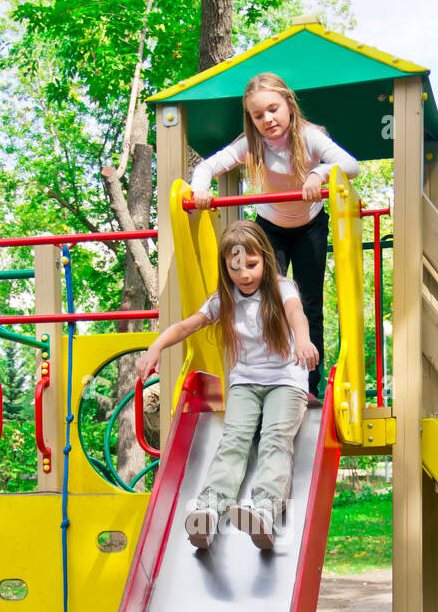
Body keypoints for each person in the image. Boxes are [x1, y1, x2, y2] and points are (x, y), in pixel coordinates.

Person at [135, 220, 318, 551]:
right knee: (234, 440)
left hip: (285, 379)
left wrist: (303, 340)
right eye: (235, 268)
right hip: (246, 381)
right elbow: (187, 325)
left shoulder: (282, 288)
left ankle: (265, 510)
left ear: (264, 258)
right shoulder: (224, 299)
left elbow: (297, 316)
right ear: (226, 268)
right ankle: (208, 510)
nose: (244, 275)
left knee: (275, 438)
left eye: (251, 265)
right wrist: (156, 346)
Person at [189, 71, 359, 397]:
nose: (267, 119)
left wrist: (319, 173)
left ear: (289, 105)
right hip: (269, 231)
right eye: (258, 115)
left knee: (308, 305)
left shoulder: (308, 137)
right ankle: (272, 380)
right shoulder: (250, 145)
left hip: (310, 226)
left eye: (273, 109)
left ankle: (309, 386)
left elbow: (349, 164)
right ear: (250, 119)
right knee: (269, 304)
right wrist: (201, 189)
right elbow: (206, 167)